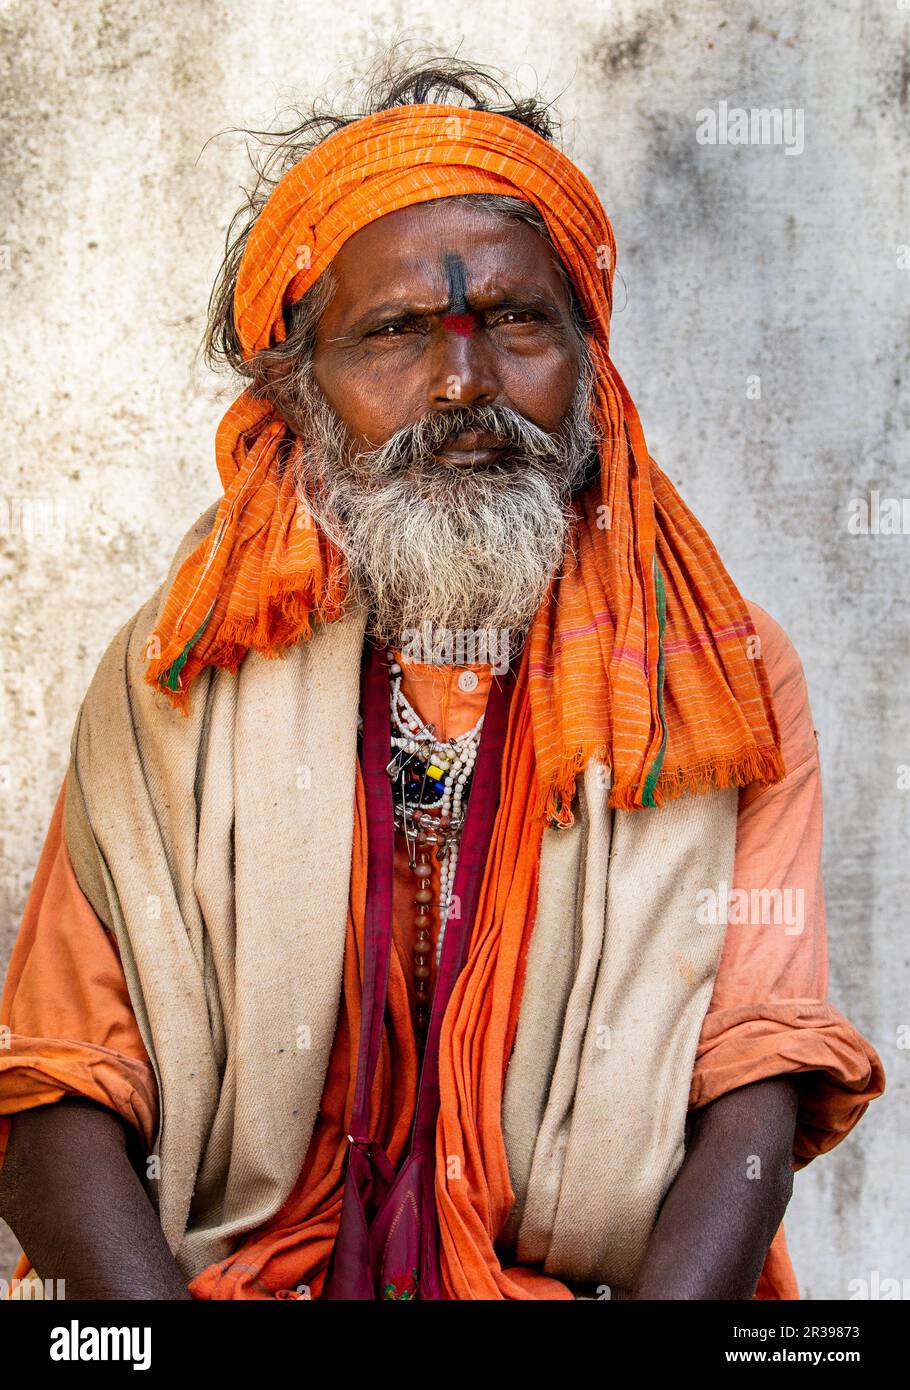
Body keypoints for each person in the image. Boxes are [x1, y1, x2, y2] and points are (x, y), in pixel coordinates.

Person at [0, 58, 884, 1301]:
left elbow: (754, 1078)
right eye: (398, 332)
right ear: (300, 395)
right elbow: (56, 1086)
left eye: (517, 321)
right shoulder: (181, 672)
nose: (463, 384)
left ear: (591, 363)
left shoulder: (718, 675)